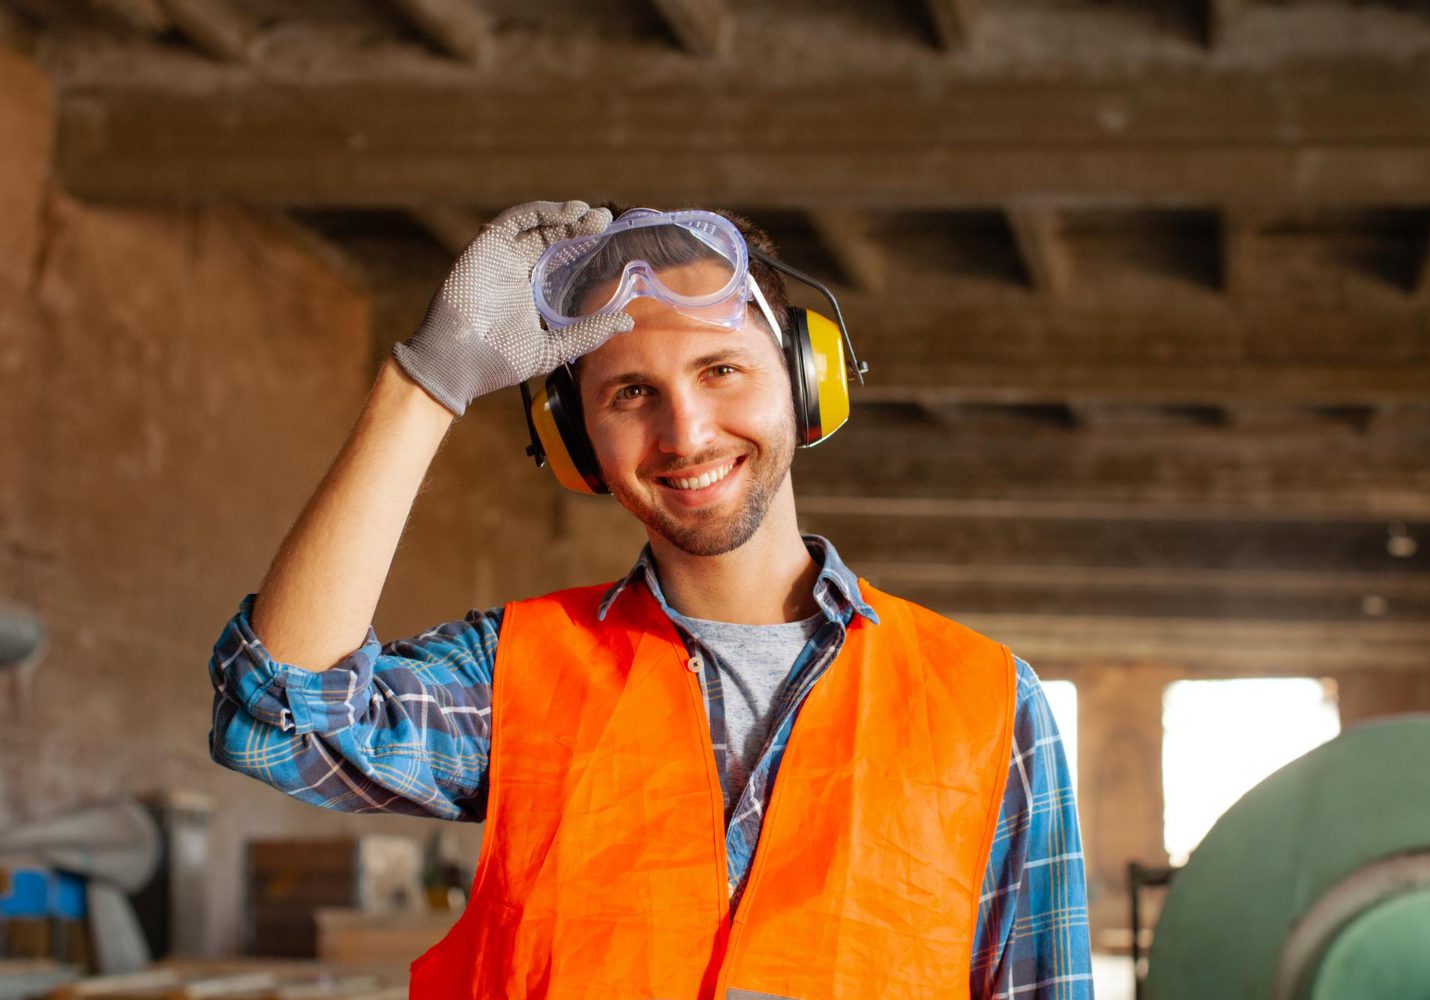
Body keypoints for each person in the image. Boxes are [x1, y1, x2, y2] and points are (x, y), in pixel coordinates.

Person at [209, 201, 1092, 999]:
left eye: (721, 370)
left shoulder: (987, 702)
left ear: (805, 376)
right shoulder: (515, 674)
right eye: (631, 393)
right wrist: (427, 383)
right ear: (575, 438)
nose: (687, 433)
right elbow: (281, 714)